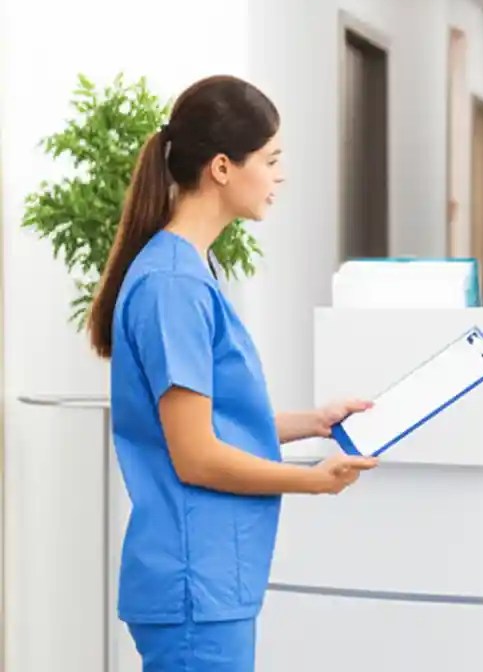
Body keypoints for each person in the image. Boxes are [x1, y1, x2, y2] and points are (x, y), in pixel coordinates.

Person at [86, 75, 379, 671]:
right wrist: (314, 482)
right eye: (270, 160)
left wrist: (314, 423)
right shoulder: (173, 285)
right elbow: (195, 455)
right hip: (195, 582)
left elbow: (211, 422)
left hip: (209, 580)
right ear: (222, 167)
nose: (280, 175)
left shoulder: (189, 270)